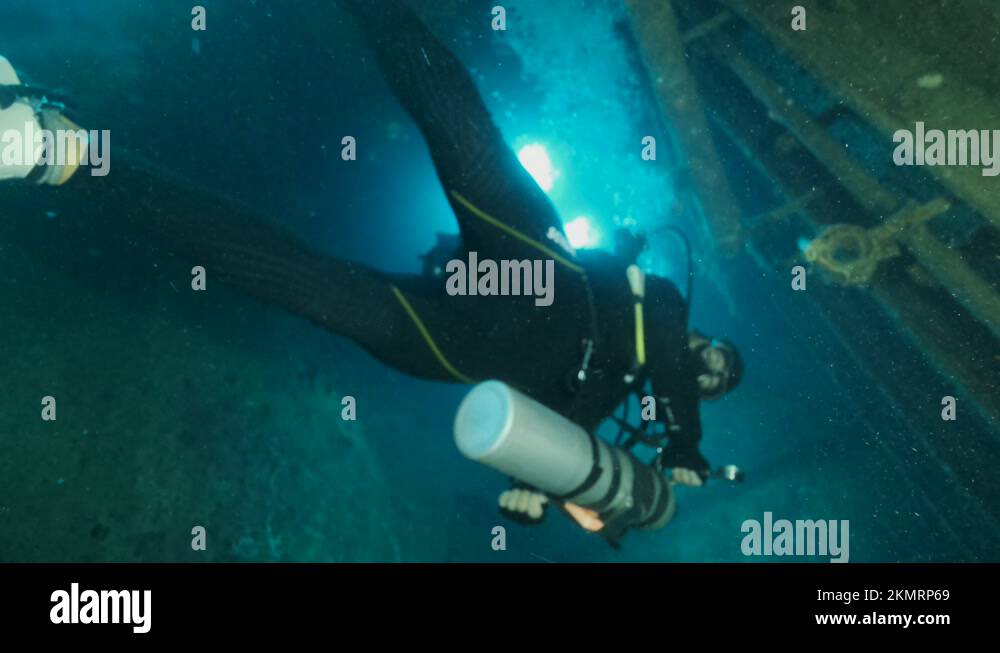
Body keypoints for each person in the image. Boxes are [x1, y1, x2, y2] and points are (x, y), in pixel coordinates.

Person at [0, 0, 743, 535]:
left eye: (714, 379)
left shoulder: (614, 397)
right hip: (545, 270)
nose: (705, 368)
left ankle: (60, 155)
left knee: (306, 284)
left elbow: (562, 442)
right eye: (717, 357)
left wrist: (533, 484)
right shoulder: (659, 301)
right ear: (706, 337)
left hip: (465, 343)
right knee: (470, 146)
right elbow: (673, 370)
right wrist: (684, 439)